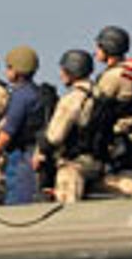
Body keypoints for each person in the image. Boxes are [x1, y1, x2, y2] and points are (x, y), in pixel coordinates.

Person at [0, 46, 55, 205]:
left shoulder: (20, 96)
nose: (6, 71)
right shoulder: (36, 93)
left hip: (22, 157)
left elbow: (7, 134)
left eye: (9, 67)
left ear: (17, 70)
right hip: (35, 153)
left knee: (18, 204)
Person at [90, 24, 132, 175]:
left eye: (99, 47)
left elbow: (96, 108)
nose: (96, 52)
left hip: (117, 135)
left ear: (109, 48)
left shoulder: (113, 76)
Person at [35, 48, 100, 203]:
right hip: (97, 162)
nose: (60, 74)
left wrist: (41, 146)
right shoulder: (99, 95)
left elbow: (54, 137)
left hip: (74, 164)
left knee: (66, 211)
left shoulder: (72, 99)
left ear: (71, 71)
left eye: (63, 70)